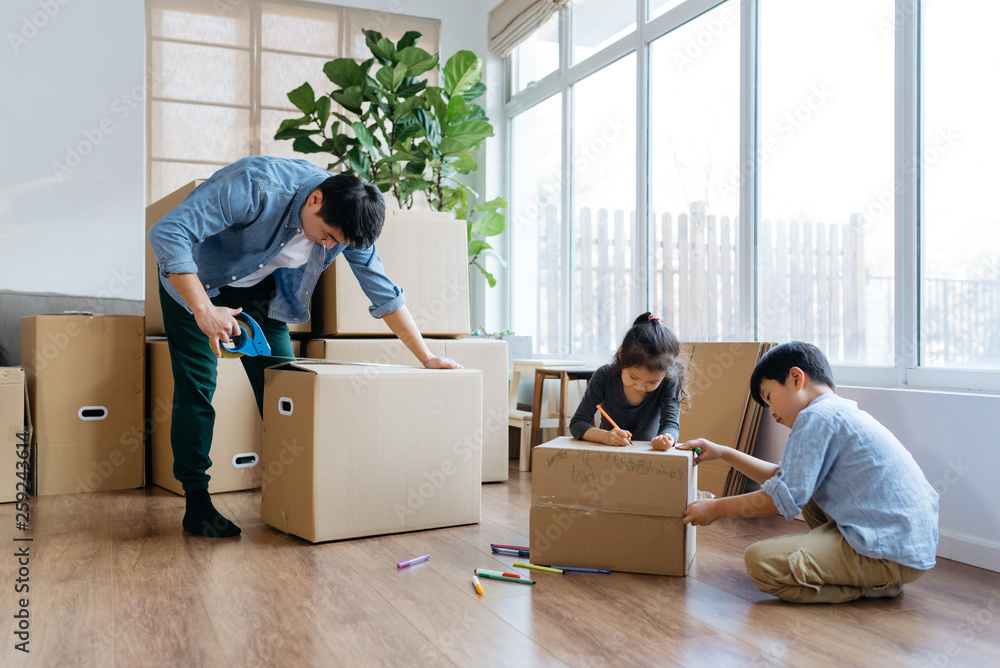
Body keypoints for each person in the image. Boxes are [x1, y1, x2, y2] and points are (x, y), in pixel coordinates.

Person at [148, 156, 461, 538]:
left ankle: (299, 495)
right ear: (314, 200)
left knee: (287, 391)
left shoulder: (347, 222)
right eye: (327, 235)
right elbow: (167, 232)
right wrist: (203, 309)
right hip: (196, 283)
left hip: (262, 295)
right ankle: (196, 502)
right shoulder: (256, 186)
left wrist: (426, 357)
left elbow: (383, 293)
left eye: (338, 244)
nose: (329, 245)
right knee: (198, 388)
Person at [678, 341, 939, 603]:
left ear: (795, 377)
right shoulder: (835, 411)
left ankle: (872, 585)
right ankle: (863, 570)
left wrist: (717, 509)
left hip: (888, 552)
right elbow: (786, 479)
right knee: (804, 490)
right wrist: (723, 452)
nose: (772, 414)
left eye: (769, 398)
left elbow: (779, 497)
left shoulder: (816, 417)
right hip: (906, 544)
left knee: (761, 563)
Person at [569, 312, 686, 450]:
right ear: (621, 356)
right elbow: (577, 423)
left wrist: (667, 438)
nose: (640, 386)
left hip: (648, 457)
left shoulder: (668, 382)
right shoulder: (605, 376)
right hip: (610, 452)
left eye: (652, 382)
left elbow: (671, 425)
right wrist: (606, 437)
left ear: (666, 373)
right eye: (633, 377)